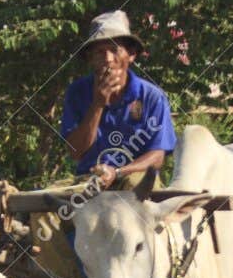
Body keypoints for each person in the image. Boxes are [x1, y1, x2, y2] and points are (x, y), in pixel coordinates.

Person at [59, 10, 176, 188]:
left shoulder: (152, 97)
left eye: (115, 50)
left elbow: (157, 156)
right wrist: (97, 104)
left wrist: (118, 172)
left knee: (134, 188)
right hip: (89, 180)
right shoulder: (77, 92)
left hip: (134, 178)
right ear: (90, 58)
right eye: (99, 52)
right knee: (45, 206)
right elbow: (76, 152)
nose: (108, 59)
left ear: (131, 55)